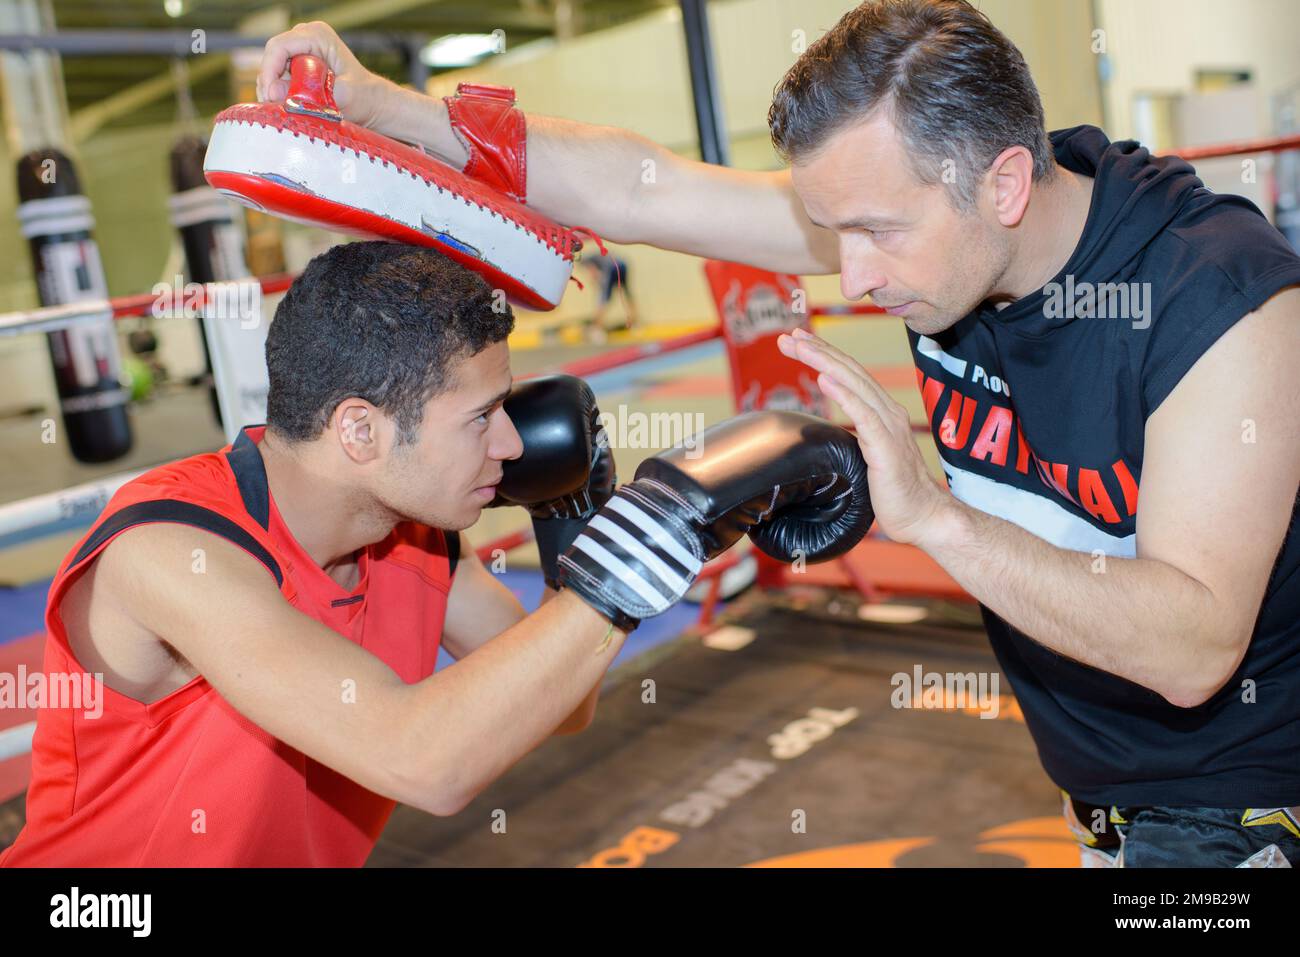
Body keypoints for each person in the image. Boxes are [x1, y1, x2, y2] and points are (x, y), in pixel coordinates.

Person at [251, 0, 1300, 867]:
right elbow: (638, 188)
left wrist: (932, 516)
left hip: (1248, 818)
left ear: (1005, 184)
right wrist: (383, 104)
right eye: (831, 231)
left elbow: (1191, 649)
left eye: (877, 234)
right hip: (1105, 804)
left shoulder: (1220, 299)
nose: (849, 279)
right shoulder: (945, 225)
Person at [0, 240, 867, 866]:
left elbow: (556, 706)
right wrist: (651, 534)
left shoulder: (412, 538)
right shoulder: (172, 548)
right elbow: (422, 758)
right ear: (361, 429)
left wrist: (577, 529)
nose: (513, 447)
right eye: (480, 418)